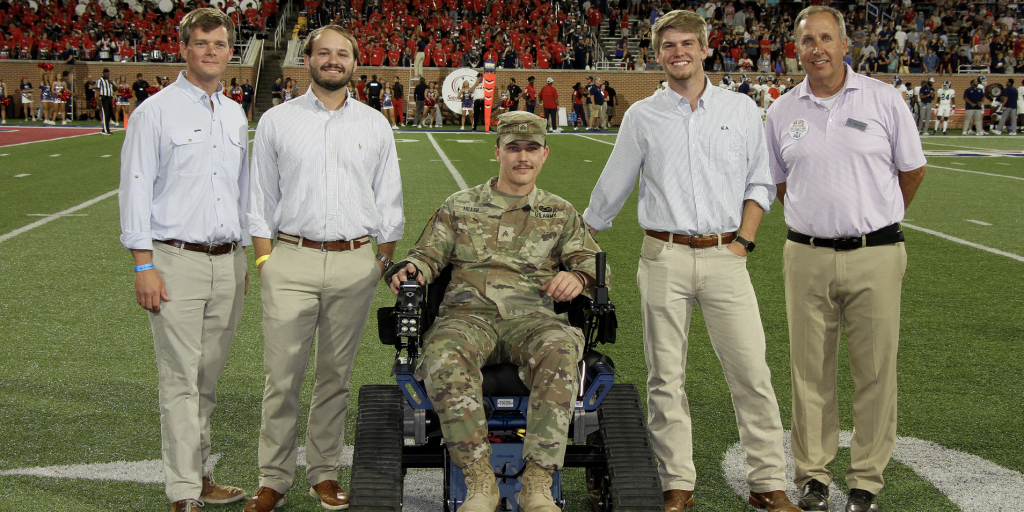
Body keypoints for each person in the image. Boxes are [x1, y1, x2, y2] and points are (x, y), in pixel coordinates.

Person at [584, 10, 800, 512]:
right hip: (663, 254)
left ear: (705, 48)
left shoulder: (742, 108)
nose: (678, 52)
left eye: (687, 43)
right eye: (668, 46)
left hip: (727, 255)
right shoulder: (642, 115)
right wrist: (578, 231)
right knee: (666, 376)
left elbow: (760, 181)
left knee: (751, 371)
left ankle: (768, 481)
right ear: (657, 55)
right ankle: (675, 482)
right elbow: (613, 186)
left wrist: (743, 242)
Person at [385, 110, 605, 512]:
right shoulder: (459, 205)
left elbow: (591, 262)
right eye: (513, 148)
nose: (523, 157)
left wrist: (580, 278)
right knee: (444, 353)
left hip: (533, 320)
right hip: (468, 318)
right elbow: (426, 256)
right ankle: (479, 480)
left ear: (544, 155)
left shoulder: (560, 212)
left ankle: (537, 483)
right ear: (498, 152)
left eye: (531, 149)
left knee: (560, 348)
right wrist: (410, 270)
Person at [763, 7, 927, 512]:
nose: (818, 48)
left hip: (875, 252)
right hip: (806, 253)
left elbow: (912, 170)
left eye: (826, 38)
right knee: (808, 369)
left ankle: (866, 480)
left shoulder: (882, 98)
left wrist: (875, 217)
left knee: (875, 369)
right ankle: (813, 474)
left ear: (845, 44)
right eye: (808, 40)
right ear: (796, 48)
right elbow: (781, 183)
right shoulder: (780, 110)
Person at [245, 24, 404, 512]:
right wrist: (266, 259)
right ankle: (273, 477)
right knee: (283, 375)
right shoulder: (277, 120)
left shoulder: (375, 123)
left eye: (342, 54)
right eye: (324, 53)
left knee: (335, 376)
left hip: (355, 262)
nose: (333, 60)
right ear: (307, 59)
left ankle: (323, 472)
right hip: (290, 258)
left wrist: (380, 260)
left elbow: (389, 199)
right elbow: (259, 198)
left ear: (355, 64)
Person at [118, 9, 251, 512]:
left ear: (229, 51)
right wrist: (142, 264)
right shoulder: (156, 111)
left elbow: (239, 192)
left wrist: (241, 260)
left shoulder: (235, 113)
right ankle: (183, 493)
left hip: (226, 261)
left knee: (206, 379)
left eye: (219, 44)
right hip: (174, 261)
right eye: (201, 43)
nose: (211, 52)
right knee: (180, 378)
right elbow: (134, 191)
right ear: (184, 48)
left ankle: (200, 473)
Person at [96, 68, 115, 134]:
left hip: (110, 98)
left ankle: (106, 129)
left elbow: (116, 88)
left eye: (108, 72)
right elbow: (97, 90)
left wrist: (112, 83)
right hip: (104, 98)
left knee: (109, 114)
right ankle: (105, 130)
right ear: (103, 73)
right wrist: (98, 98)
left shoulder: (111, 81)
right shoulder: (100, 80)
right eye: (106, 72)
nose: (107, 74)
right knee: (105, 113)